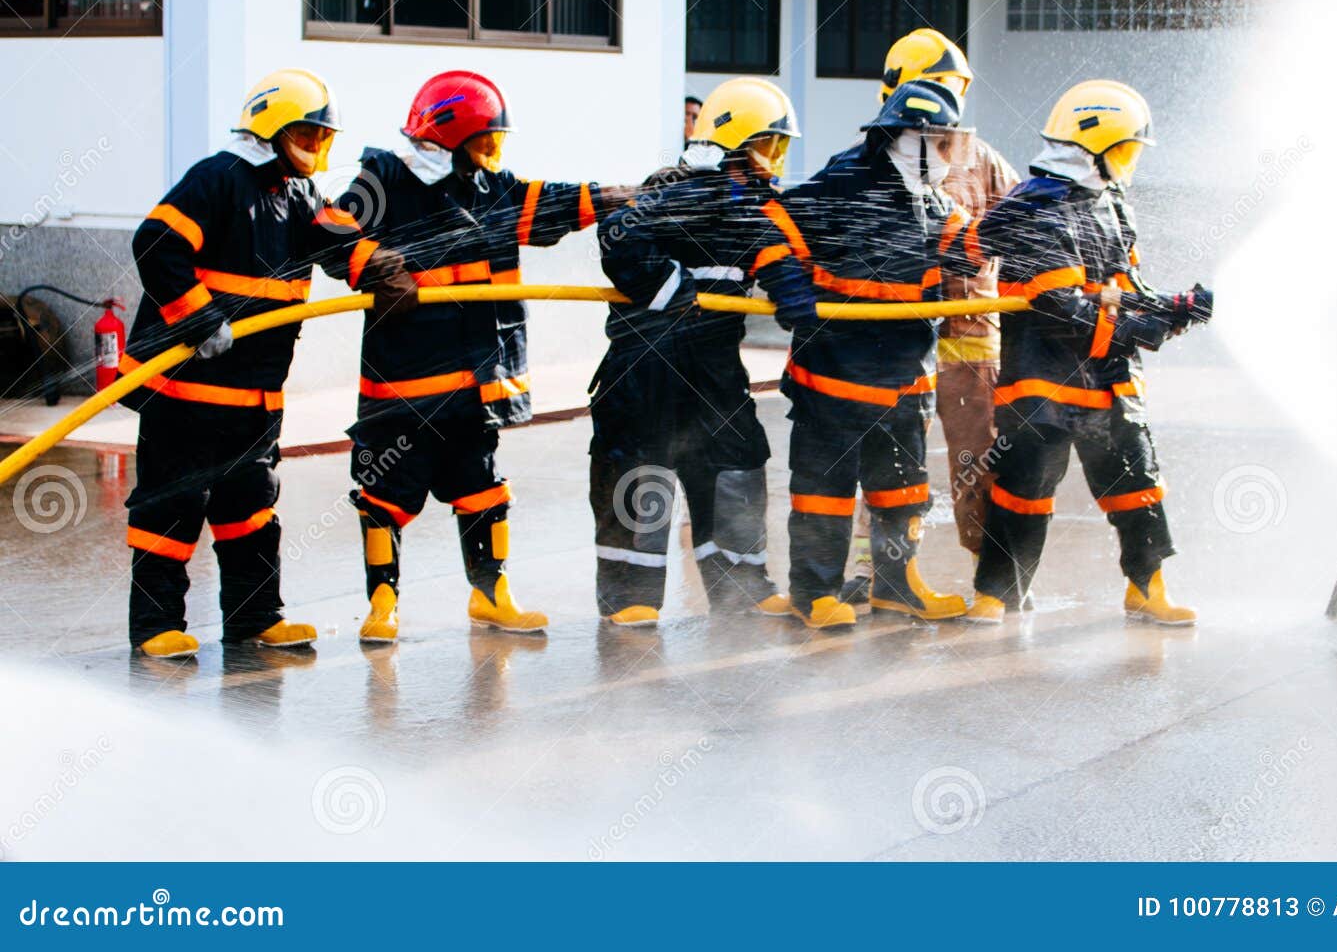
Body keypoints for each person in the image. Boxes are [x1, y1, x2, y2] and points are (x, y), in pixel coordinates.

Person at [123, 69, 414, 659]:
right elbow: (155, 243)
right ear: (271, 127)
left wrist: (378, 266)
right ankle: (156, 629)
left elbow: (333, 243)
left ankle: (255, 619)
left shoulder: (297, 192)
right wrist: (197, 317)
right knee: (170, 509)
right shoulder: (217, 180)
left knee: (251, 509)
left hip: (253, 398)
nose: (316, 148)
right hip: (184, 394)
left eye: (323, 139)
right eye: (307, 135)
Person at [340, 71, 630, 644]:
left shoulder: (489, 189)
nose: (494, 154)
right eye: (485, 141)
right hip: (404, 387)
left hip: (472, 387)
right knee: (386, 496)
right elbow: (326, 229)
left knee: (482, 488)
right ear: (448, 136)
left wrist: (619, 195)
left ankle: (490, 595)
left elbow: (549, 204)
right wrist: (373, 262)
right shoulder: (385, 180)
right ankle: (382, 603)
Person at [966, 80, 1210, 626]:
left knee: (1137, 483)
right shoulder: (1034, 204)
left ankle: (1148, 588)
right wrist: (1136, 330)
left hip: (1108, 377)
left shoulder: (1112, 204)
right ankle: (996, 592)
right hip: (1043, 376)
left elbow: (1126, 288)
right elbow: (1058, 306)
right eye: (1124, 149)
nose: (1129, 163)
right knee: (1023, 486)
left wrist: (1175, 308)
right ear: (1089, 143)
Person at [591, 77, 816, 626]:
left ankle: (741, 585)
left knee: (736, 460)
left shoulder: (752, 206)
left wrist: (802, 302)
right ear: (737, 141)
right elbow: (618, 238)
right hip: (644, 368)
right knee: (638, 472)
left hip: (713, 369)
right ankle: (631, 597)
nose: (776, 160)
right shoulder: (676, 188)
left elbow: (779, 258)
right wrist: (676, 294)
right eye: (770, 144)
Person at [766, 80, 982, 629]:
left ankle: (895, 586)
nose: (946, 155)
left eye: (949, 144)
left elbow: (964, 247)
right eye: (939, 142)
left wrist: (1021, 241)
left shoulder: (930, 198)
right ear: (908, 138)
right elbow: (773, 226)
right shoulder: (844, 181)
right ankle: (812, 593)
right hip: (831, 379)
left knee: (903, 489)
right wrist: (793, 291)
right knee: (823, 491)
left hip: (904, 380)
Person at [840, 29, 1020, 604]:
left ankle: (992, 573)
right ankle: (875, 572)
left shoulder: (980, 158)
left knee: (977, 461)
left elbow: (1023, 230)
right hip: (897, 341)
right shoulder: (874, 160)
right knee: (888, 460)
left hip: (969, 343)